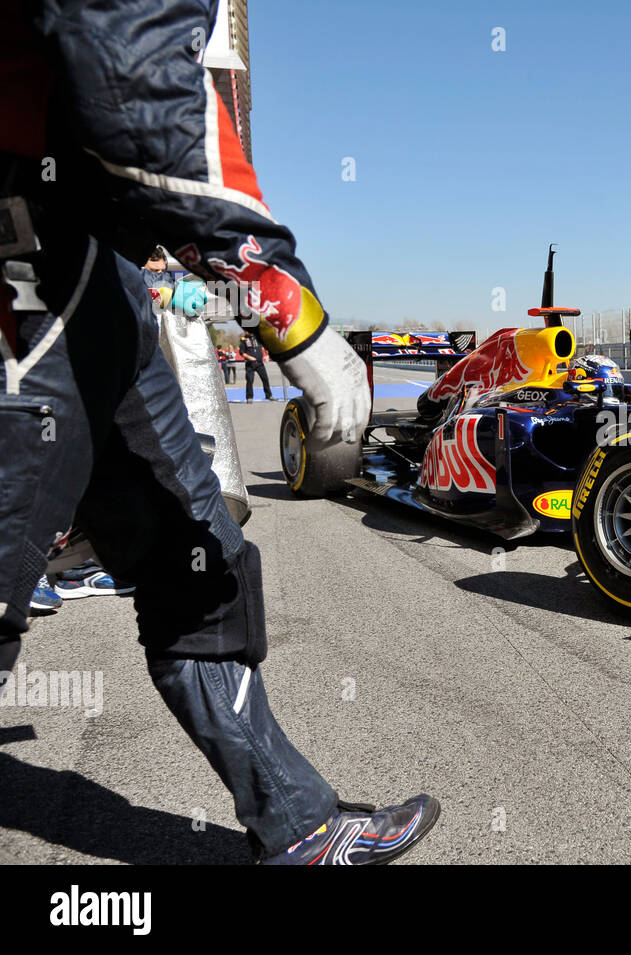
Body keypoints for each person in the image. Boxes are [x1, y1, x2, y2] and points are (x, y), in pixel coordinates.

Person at [1, 1, 436, 864]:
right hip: (22, 268)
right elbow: (132, 75)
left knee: (197, 559)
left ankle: (298, 824)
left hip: (93, 272)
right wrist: (289, 306)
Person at [240, 329, 275, 401]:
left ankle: (269, 395)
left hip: (260, 363)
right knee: (250, 380)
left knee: (265, 379)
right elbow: (242, 353)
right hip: (250, 364)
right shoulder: (244, 340)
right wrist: (249, 357)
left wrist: (267, 356)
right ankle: (249, 397)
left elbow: (266, 347)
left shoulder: (259, 338)